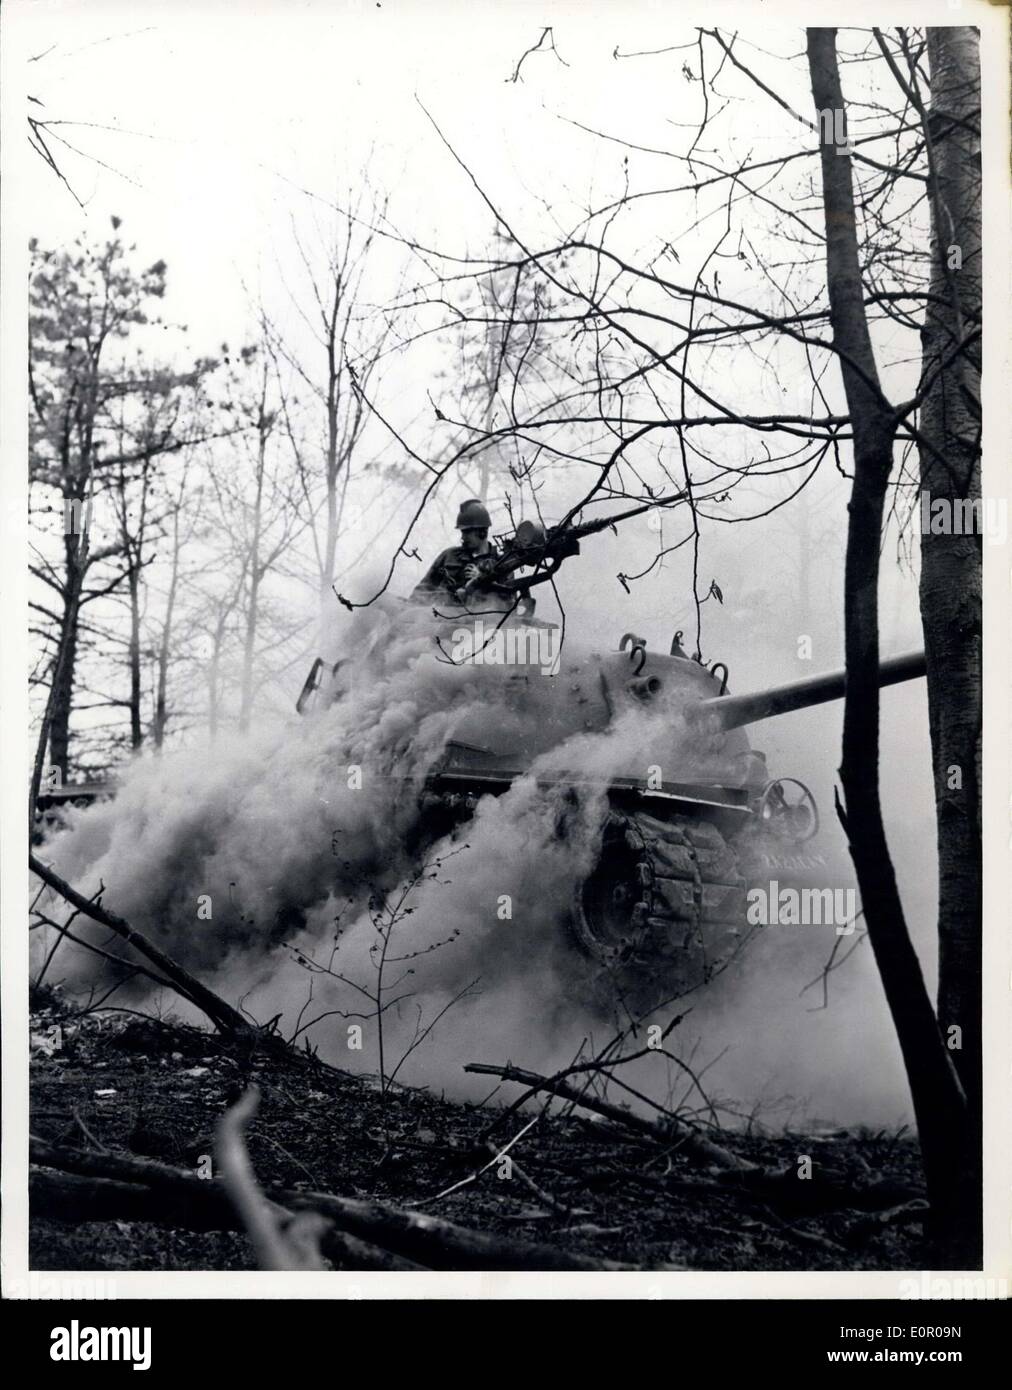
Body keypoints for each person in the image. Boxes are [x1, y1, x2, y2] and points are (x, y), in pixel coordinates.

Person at [412, 499, 500, 603]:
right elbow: (423, 589)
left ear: (482, 532)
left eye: (467, 532)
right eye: (462, 532)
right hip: (439, 616)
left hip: (479, 619)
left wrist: (482, 581)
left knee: (481, 621)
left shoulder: (502, 563)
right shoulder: (449, 556)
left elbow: (507, 605)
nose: (463, 537)